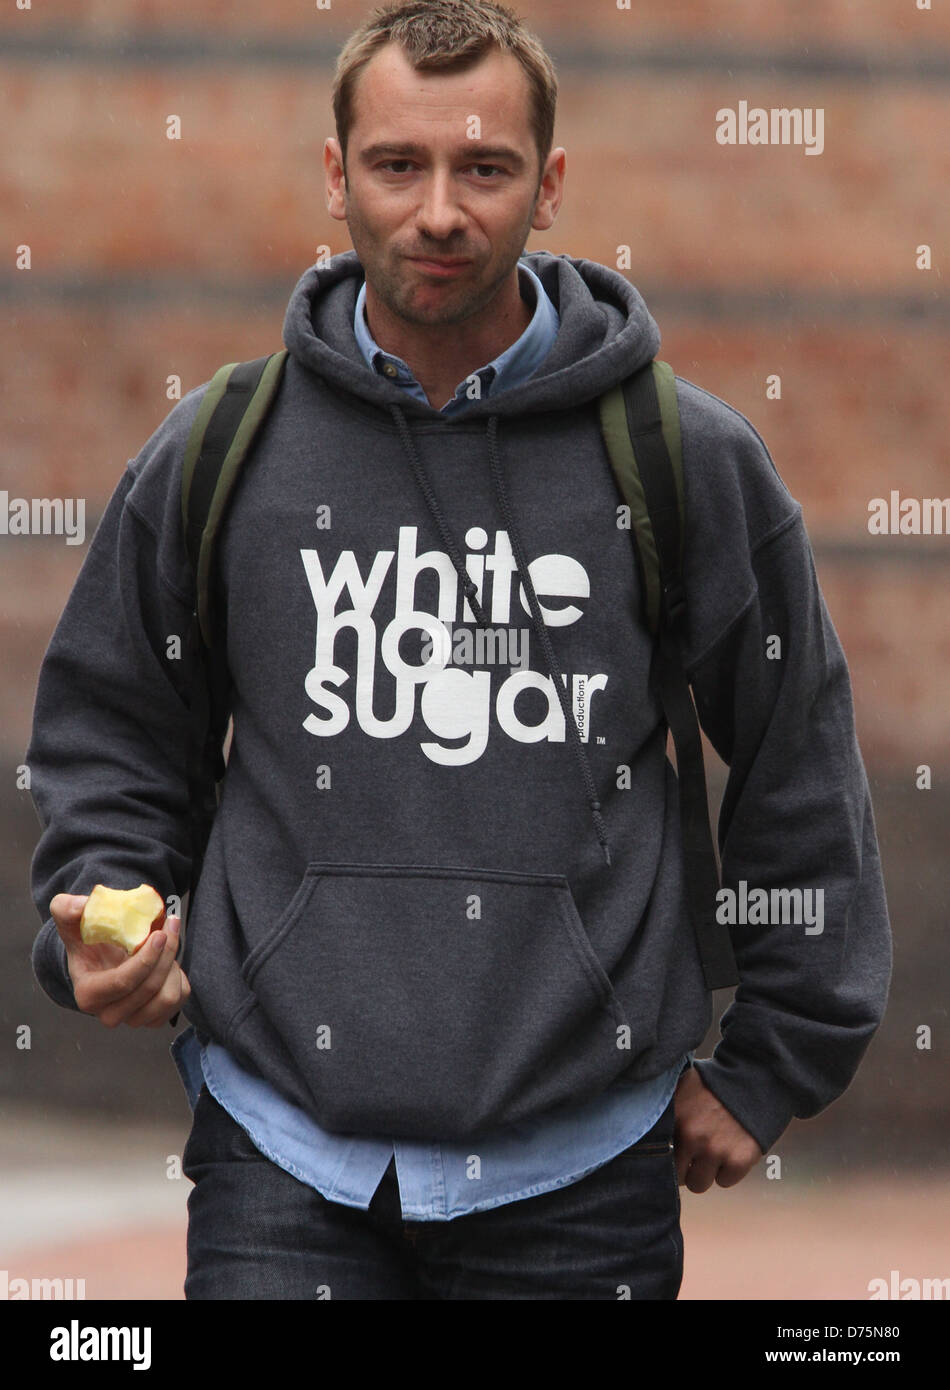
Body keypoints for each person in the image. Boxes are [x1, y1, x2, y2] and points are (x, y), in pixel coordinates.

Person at [26, 0, 891, 1301]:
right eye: (397, 165)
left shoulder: (681, 457)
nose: (439, 211)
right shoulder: (220, 448)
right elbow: (113, 731)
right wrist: (102, 911)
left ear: (547, 185)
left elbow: (798, 760)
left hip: (580, 1171)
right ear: (337, 177)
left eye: (482, 168)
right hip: (280, 1157)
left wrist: (771, 1061)